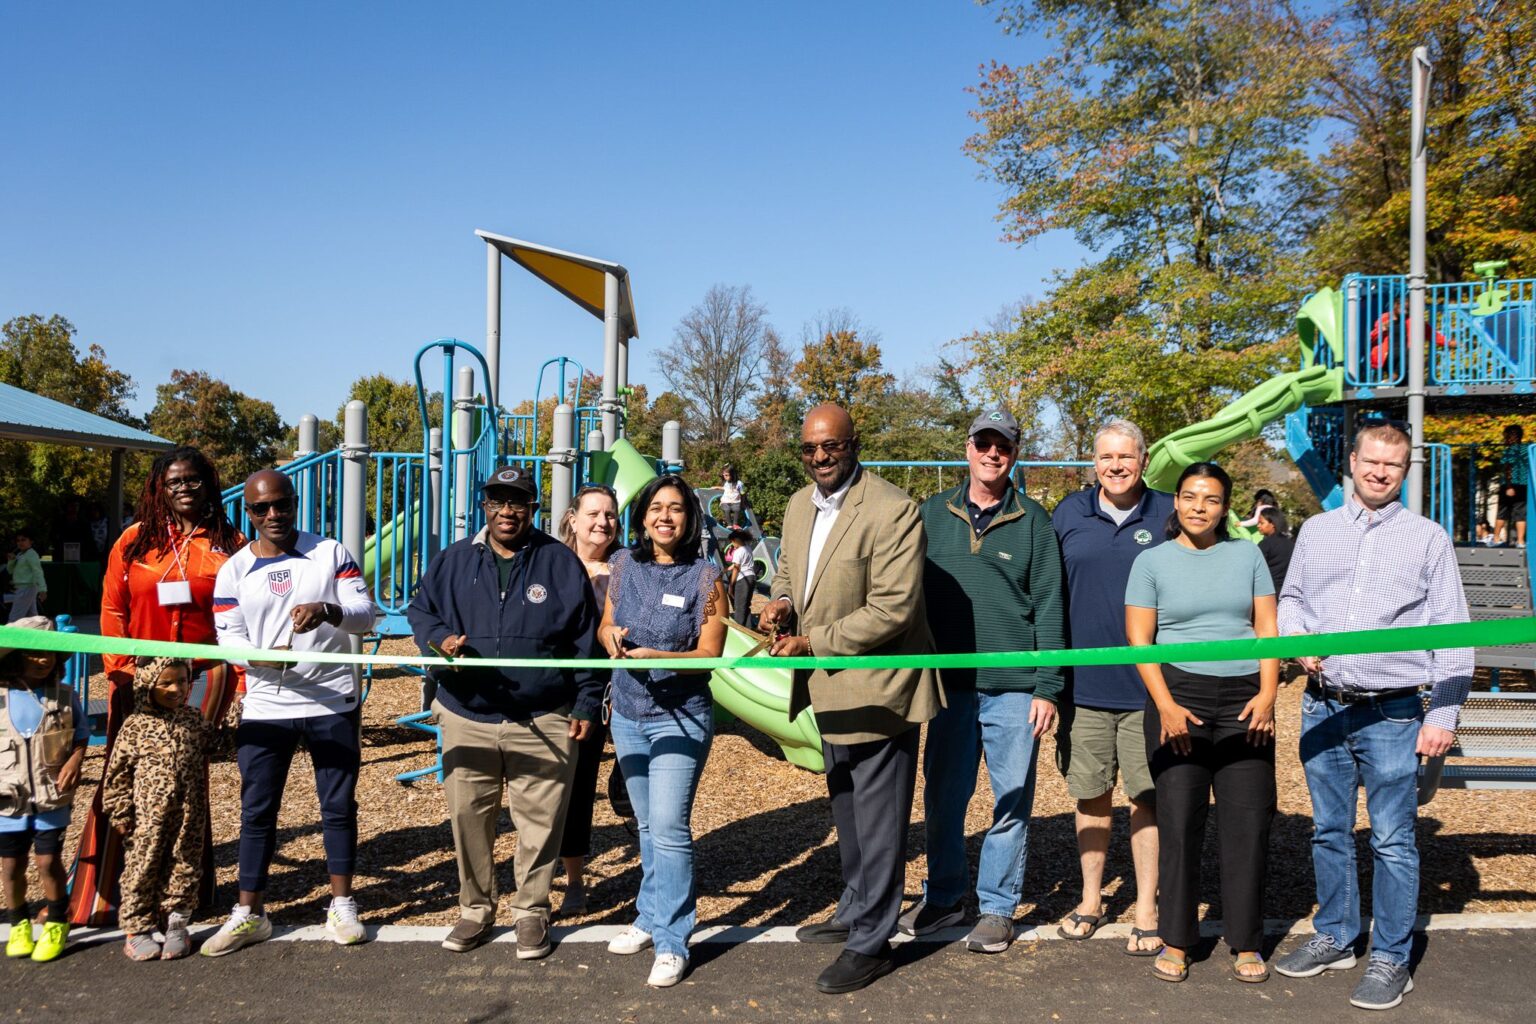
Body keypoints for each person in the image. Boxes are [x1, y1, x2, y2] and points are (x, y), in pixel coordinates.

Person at [1273, 422, 1472, 1011]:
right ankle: (1336, 935)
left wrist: (1445, 713)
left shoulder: (1428, 538)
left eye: (1393, 465)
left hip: (1394, 713)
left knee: (1391, 839)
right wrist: (1298, 639)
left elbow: (1453, 632)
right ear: (1352, 462)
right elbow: (1292, 602)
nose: (1380, 472)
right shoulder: (1316, 530)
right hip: (1324, 707)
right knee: (1329, 832)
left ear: (1404, 470)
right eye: (1371, 461)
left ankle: (1391, 955)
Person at [759, 403, 943, 994]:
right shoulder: (796, 503)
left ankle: (872, 942)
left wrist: (812, 642)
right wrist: (779, 600)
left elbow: (894, 609)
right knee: (848, 812)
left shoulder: (892, 508)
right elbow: (789, 569)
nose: (819, 459)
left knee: (880, 820)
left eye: (830, 448)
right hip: (828, 687)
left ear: (853, 443)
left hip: (880, 690)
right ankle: (856, 910)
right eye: (809, 449)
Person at [407, 466, 602, 961]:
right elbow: (422, 610)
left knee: (540, 822)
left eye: (517, 502)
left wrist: (584, 701)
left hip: (543, 715)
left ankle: (532, 910)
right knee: (469, 817)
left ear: (534, 509)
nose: (506, 511)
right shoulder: (452, 560)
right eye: (497, 501)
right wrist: (438, 640)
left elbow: (584, 640)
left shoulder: (559, 564)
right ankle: (475, 908)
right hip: (467, 714)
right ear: (484, 506)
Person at [901, 408, 1064, 954]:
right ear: (967, 448)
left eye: (1004, 446)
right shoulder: (930, 514)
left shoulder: (1034, 521)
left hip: (1013, 684)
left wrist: (1047, 687)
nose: (993, 453)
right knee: (944, 795)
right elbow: (903, 594)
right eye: (984, 443)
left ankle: (997, 906)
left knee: (1011, 799)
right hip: (950, 684)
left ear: (1014, 454)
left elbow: (1049, 606)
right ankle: (946, 896)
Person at [70, 445, 245, 927]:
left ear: (208, 485)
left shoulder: (231, 542)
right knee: (124, 777)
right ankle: (105, 893)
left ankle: (186, 893)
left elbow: (242, 612)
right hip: (141, 676)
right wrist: (121, 670)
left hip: (205, 677)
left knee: (187, 781)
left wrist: (242, 679)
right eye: (175, 482)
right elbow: (112, 609)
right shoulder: (133, 540)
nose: (185, 489)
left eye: (194, 481)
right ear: (158, 489)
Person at [205, 470, 376, 956]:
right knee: (257, 810)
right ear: (250, 513)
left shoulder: (330, 553)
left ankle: (342, 903)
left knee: (338, 807)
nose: (274, 515)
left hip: (331, 699)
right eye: (262, 509)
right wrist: (256, 658)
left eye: (282, 505)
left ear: (295, 503)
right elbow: (228, 637)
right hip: (266, 704)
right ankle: (250, 912)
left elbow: (366, 611)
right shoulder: (234, 570)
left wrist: (329, 609)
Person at [1126, 461, 1278, 984]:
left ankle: (1245, 940)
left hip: (1243, 702)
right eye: (1190, 496)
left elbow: (1268, 630)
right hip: (1178, 694)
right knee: (1179, 821)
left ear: (1224, 506)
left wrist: (1268, 693)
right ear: (1176, 502)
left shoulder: (1248, 554)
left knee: (1249, 824)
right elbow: (1140, 642)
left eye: (1211, 499)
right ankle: (1176, 938)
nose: (1198, 507)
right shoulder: (1151, 562)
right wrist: (1166, 706)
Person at [598, 475, 728, 989]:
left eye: (676, 508)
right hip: (629, 714)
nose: (665, 517)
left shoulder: (706, 577)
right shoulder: (623, 565)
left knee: (670, 829)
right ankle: (650, 917)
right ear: (643, 515)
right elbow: (607, 622)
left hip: (681, 716)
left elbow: (710, 655)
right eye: (656, 507)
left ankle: (674, 939)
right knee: (648, 826)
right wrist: (608, 633)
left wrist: (661, 657)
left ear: (689, 518)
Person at [1051, 419, 1173, 954]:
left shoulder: (1170, 512)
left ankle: (1147, 905)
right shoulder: (1068, 514)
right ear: (1093, 462)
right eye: (1106, 457)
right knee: (1090, 797)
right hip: (1086, 690)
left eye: (1126, 456)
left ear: (1143, 460)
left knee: (1147, 799)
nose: (1116, 466)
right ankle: (1091, 899)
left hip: (1152, 691)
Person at [102, 657, 234, 961]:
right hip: (147, 818)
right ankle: (138, 930)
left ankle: (177, 925)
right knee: (142, 868)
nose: (176, 689)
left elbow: (215, 743)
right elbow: (117, 774)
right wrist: (121, 812)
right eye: (166, 683)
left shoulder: (192, 718)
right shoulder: (135, 725)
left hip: (189, 813)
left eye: (183, 681)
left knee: (185, 864)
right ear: (148, 685)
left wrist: (235, 724)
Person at [1, 617, 87, 963]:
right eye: (35, 652)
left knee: (48, 861)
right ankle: (18, 921)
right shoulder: (2, 696)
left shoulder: (64, 695)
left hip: (52, 796)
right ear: (17, 654)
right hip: (8, 798)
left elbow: (80, 735)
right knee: (10, 866)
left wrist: (75, 761)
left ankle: (56, 921)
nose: (45, 658)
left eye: (51, 652)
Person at [556, 483, 624, 916]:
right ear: (573, 519)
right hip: (551, 690)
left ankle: (575, 881)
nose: (602, 522)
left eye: (611, 515)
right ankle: (539, 871)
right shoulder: (551, 564)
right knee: (545, 790)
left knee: (580, 788)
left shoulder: (626, 568)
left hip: (603, 692)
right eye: (594, 514)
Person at [1495, 424, 1527, 547]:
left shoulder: (1509, 450)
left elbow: (1508, 468)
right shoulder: (1526, 448)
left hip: (1510, 485)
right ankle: (1520, 540)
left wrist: (1508, 486)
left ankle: (1497, 538)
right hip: (1522, 485)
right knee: (1520, 513)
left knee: (1502, 512)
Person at [6, 529, 46, 623]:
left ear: (31, 541)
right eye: (18, 540)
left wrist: (42, 589)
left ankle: (7, 636)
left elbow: (38, 572)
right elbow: (10, 571)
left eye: (23, 540)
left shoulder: (31, 554)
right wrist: (11, 560)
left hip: (27, 588)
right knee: (32, 617)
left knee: (14, 618)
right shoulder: (20, 554)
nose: (20, 542)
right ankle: (38, 634)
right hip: (24, 588)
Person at [1256, 507, 1295, 593]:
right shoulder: (1291, 544)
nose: (1258, 525)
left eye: (1261, 523)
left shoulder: (1266, 544)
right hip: (1286, 591)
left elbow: (1254, 568)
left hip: (1267, 592)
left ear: (1272, 524)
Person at [724, 528, 758, 627]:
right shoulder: (748, 548)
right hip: (751, 577)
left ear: (736, 540)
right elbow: (738, 564)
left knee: (739, 607)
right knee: (745, 606)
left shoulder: (738, 552)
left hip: (743, 580)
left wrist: (731, 586)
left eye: (732, 542)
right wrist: (725, 570)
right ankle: (749, 628)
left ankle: (739, 629)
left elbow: (736, 568)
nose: (732, 545)